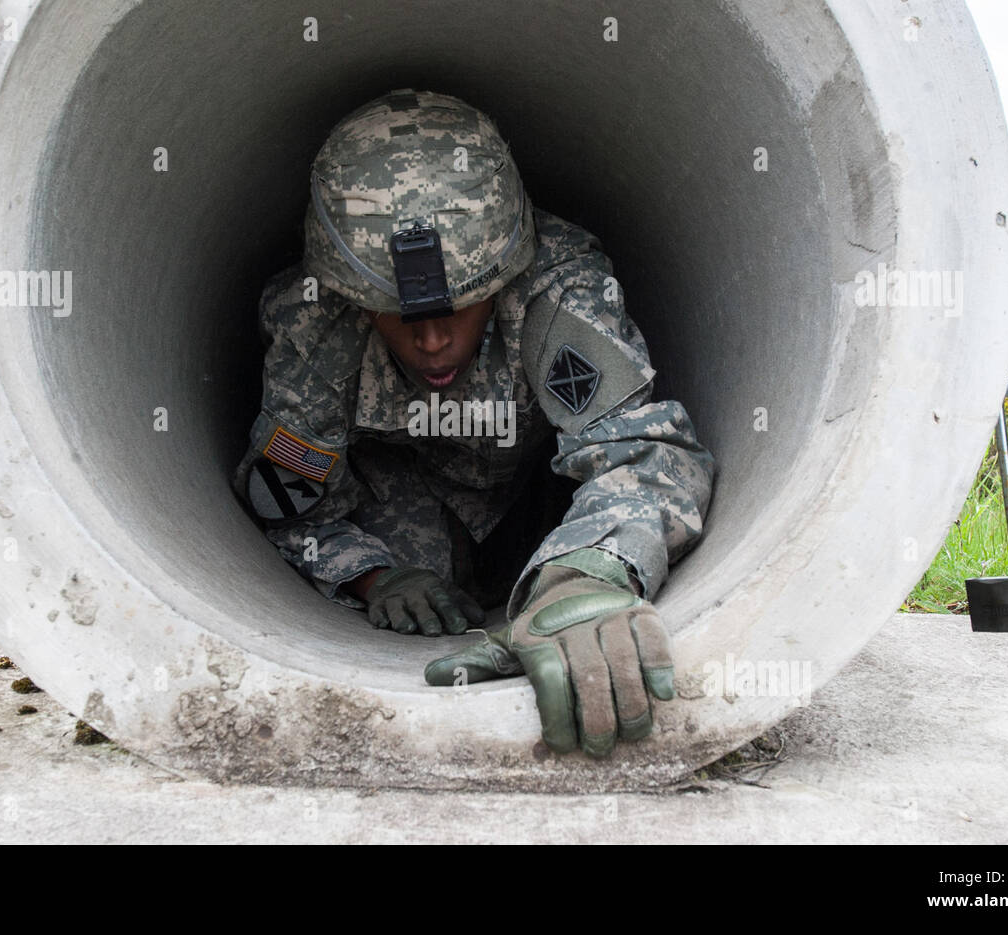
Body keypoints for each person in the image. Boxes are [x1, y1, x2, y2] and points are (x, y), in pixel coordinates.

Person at [233, 88, 715, 757]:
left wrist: (584, 572)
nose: (431, 341)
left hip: (542, 498)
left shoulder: (557, 285)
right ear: (356, 296)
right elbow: (290, 502)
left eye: (458, 306)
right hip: (407, 511)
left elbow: (642, 450)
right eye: (401, 314)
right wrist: (375, 576)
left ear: (500, 274)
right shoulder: (316, 322)